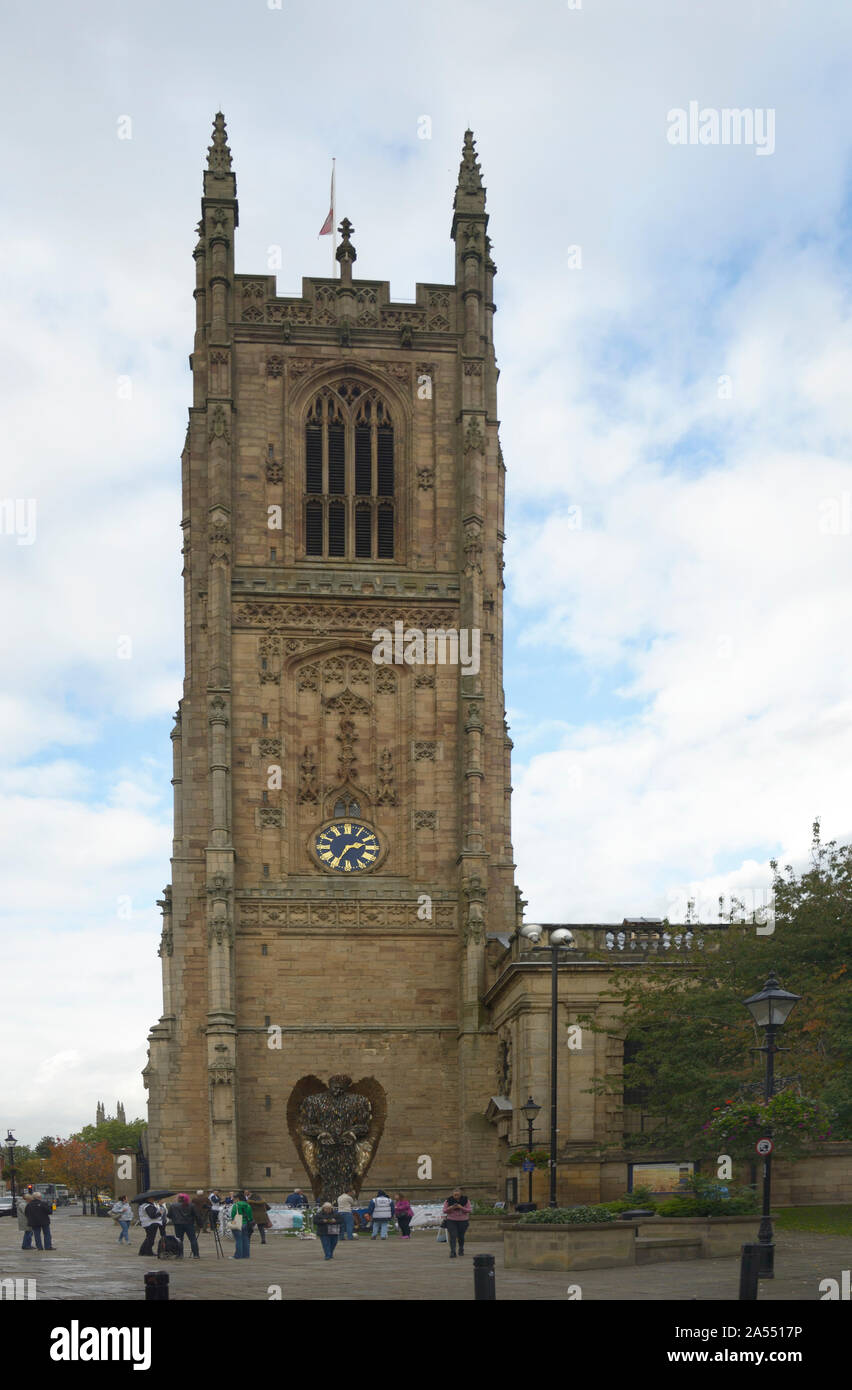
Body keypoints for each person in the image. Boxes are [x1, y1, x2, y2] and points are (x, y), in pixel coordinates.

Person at [168, 1193, 200, 1258]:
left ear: (178, 1199)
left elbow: (169, 1215)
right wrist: (200, 1224)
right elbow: (197, 1215)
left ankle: (180, 1254)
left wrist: (175, 1218)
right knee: (193, 1239)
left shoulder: (173, 1205)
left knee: (179, 1239)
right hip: (189, 1224)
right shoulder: (191, 1205)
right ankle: (196, 1254)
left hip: (178, 1224)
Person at [442, 1188, 472, 1258]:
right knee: (453, 1236)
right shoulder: (448, 1200)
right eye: (455, 1195)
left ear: (460, 1194)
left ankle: (461, 1248)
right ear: (453, 1195)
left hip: (463, 1221)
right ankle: (453, 1251)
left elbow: (469, 1210)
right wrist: (451, 1207)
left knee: (461, 1236)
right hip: (451, 1220)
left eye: (457, 1194)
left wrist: (461, 1207)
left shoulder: (466, 1200)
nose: (456, 1196)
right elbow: (444, 1210)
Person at [229, 1190, 254, 1259]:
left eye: (234, 1198)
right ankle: (246, 1255)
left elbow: (232, 1215)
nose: (233, 1199)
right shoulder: (248, 1205)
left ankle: (238, 1255)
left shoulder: (236, 1205)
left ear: (238, 1198)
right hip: (246, 1223)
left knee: (238, 1240)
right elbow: (250, 1216)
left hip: (237, 1223)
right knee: (245, 1239)